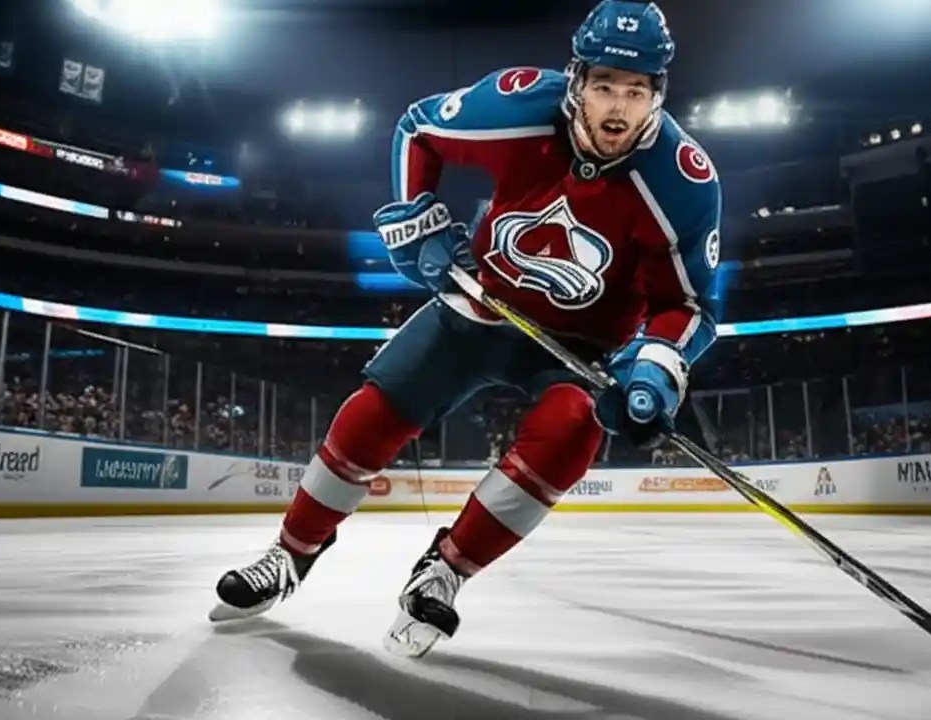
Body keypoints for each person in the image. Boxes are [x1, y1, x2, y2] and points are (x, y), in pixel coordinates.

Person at [209, 0, 724, 658]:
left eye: (635, 91)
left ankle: (445, 569)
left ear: (658, 93)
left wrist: (655, 368)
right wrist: (416, 219)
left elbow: (692, 306)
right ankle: (290, 553)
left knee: (571, 433)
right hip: (481, 302)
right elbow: (418, 130)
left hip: (579, 348)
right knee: (373, 414)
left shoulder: (682, 182)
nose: (617, 110)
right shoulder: (518, 108)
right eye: (603, 88)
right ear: (576, 81)